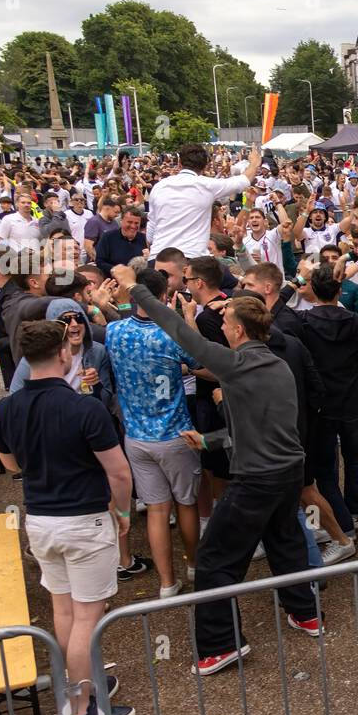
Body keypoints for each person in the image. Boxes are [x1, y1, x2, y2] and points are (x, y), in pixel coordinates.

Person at [112, 267, 325, 669]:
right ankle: (306, 612)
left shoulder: (235, 365)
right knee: (286, 543)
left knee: (214, 561)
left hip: (257, 480)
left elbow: (177, 329)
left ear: (240, 331)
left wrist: (134, 287)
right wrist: (210, 440)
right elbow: (265, 426)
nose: (221, 328)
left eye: (226, 322)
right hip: (288, 473)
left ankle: (220, 644)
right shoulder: (277, 364)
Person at [0, 319, 135, 715]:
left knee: (65, 609)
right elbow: (119, 473)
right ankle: (81, 706)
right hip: (83, 521)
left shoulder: (6, 408)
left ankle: (81, 686)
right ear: (63, 353)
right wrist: (123, 514)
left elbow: (10, 464)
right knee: (88, 616)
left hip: (40, 520)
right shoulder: (84, 407)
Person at [104, 268, 200, 599]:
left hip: (136, 437)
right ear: (163, 297)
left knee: (157, 510)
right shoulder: (170, 334)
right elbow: (199, 356)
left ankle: (166, 583)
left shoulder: (114, 332)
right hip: (175, 434)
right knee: (186, 503)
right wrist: (186, 317)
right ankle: (194, 565)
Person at [297, 261, 358, 556]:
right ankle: (354, 510)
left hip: (321, 404)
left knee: (324, 470)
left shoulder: (304, 322)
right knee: (354, 458)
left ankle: (337, 522)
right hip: (352, 399)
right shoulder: (353, 321)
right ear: (340, 290)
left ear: (312, 290)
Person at [95, 206, 147, 277]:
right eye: (130, 222)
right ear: (121, 221)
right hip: (114, 282)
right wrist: (118, 270)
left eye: (136, 223)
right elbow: (99, 261)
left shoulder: (144, 238)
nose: (133, 226)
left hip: (138, 283)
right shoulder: (108, 237)